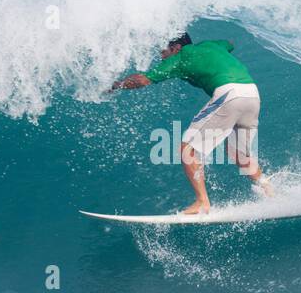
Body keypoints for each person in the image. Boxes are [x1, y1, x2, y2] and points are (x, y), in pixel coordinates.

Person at [112, 32, 272, 214]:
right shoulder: (213, 44)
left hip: (229, 94)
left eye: (164, 51)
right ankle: (270, 191)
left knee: (187, 148)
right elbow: (229, 42)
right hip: (251, 93)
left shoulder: (180, 58)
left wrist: (118, 85)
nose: (162, 56)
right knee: (238, 154)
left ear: (176, 48)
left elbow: (143, 79)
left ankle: (202, 203)